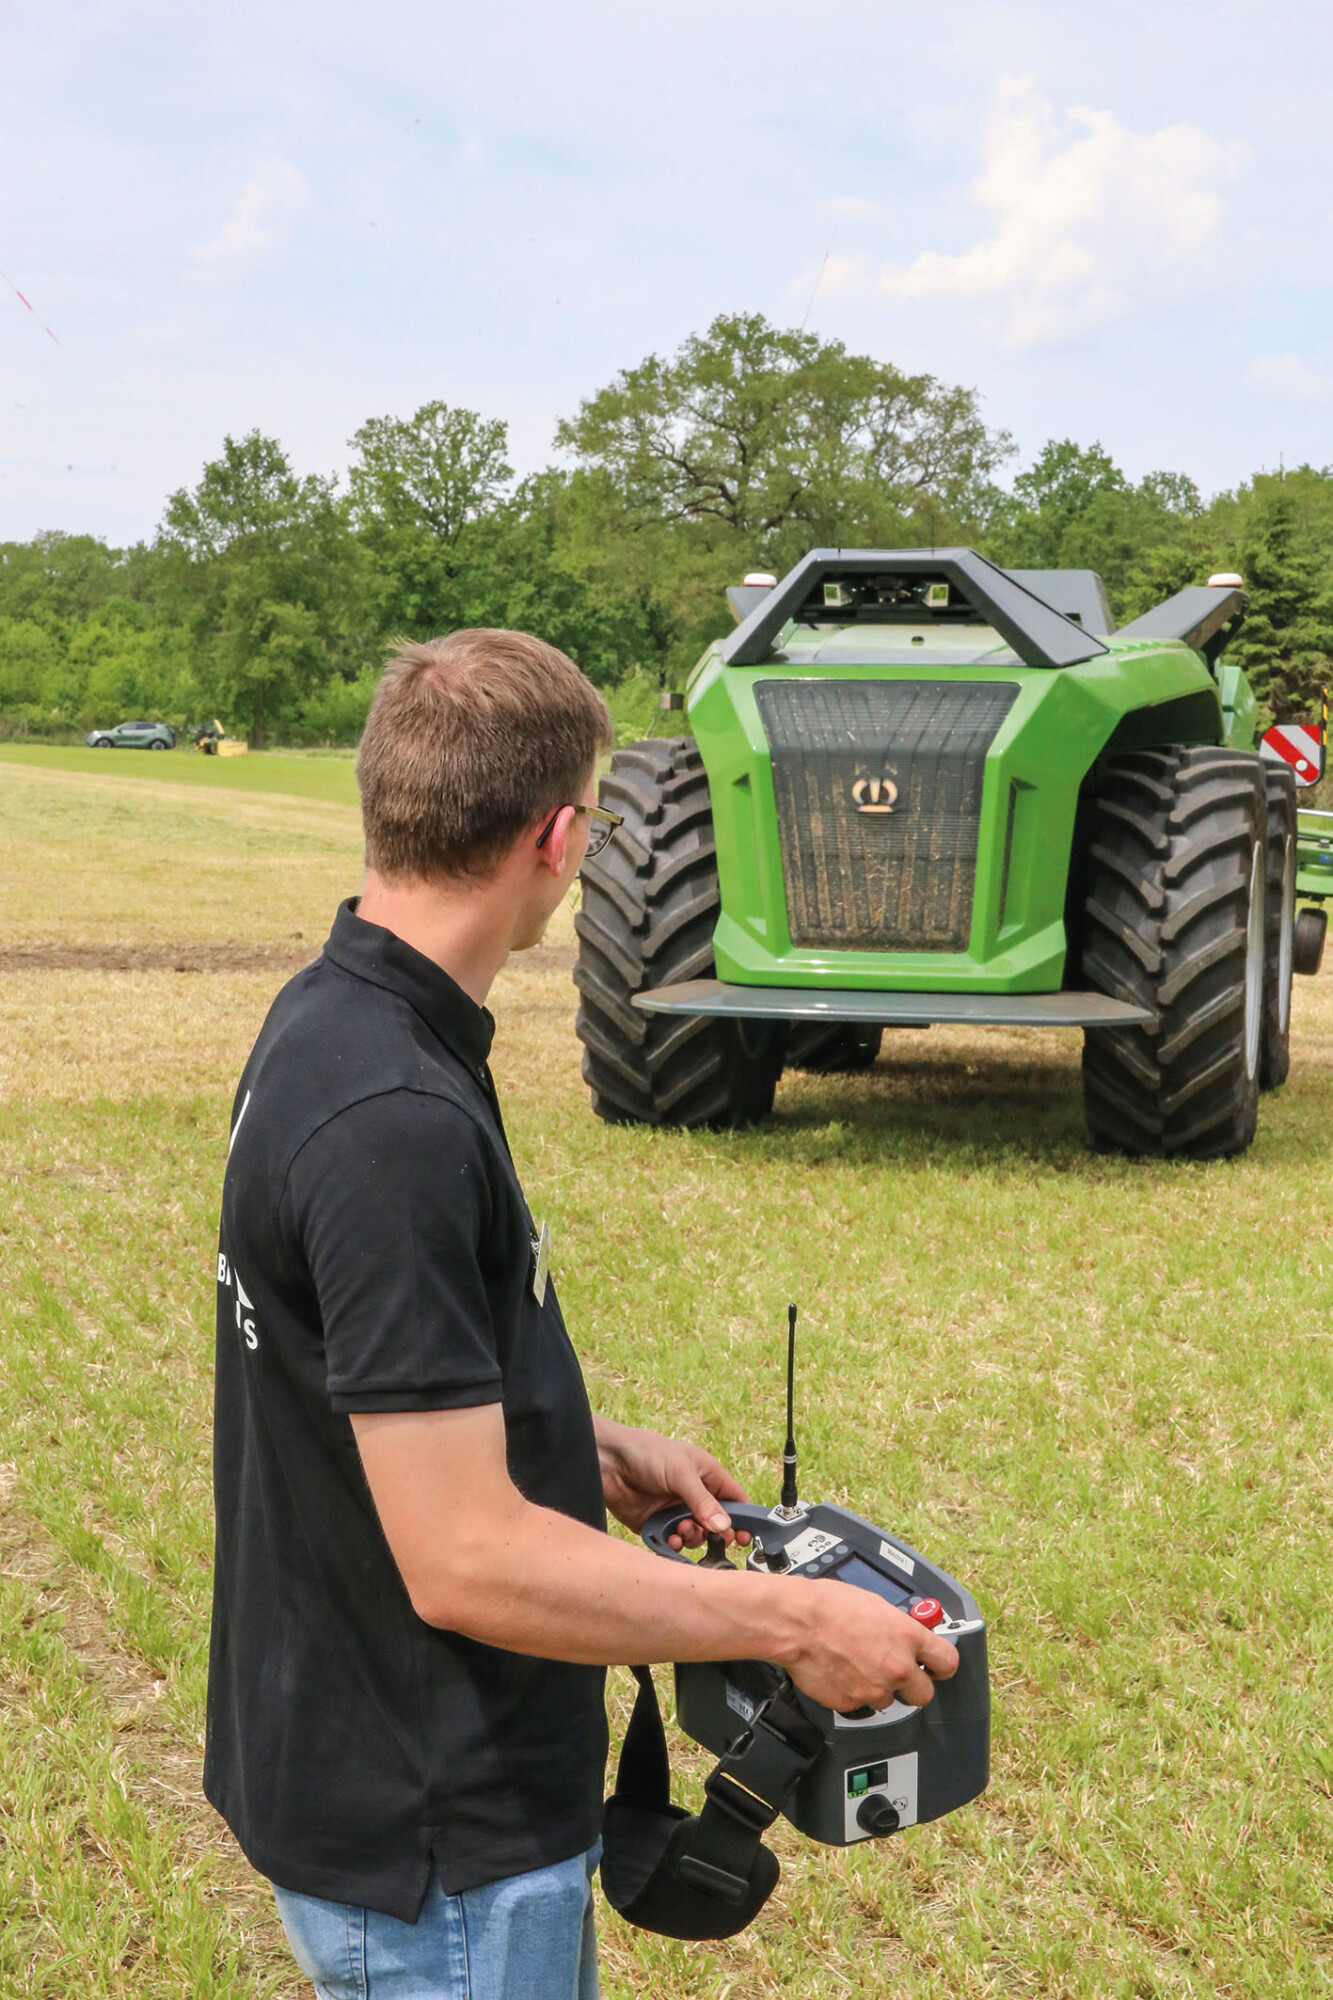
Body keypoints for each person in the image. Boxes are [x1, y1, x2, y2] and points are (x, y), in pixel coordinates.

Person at [205, 629, 958, 2000]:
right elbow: (466, 1562)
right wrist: (790, 1627)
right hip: (435, 1835)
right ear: (561, 837)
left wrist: (574, 1442)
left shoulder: (339, 1021)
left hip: (370, 1763)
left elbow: (355, 1366)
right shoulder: (393, 1115)